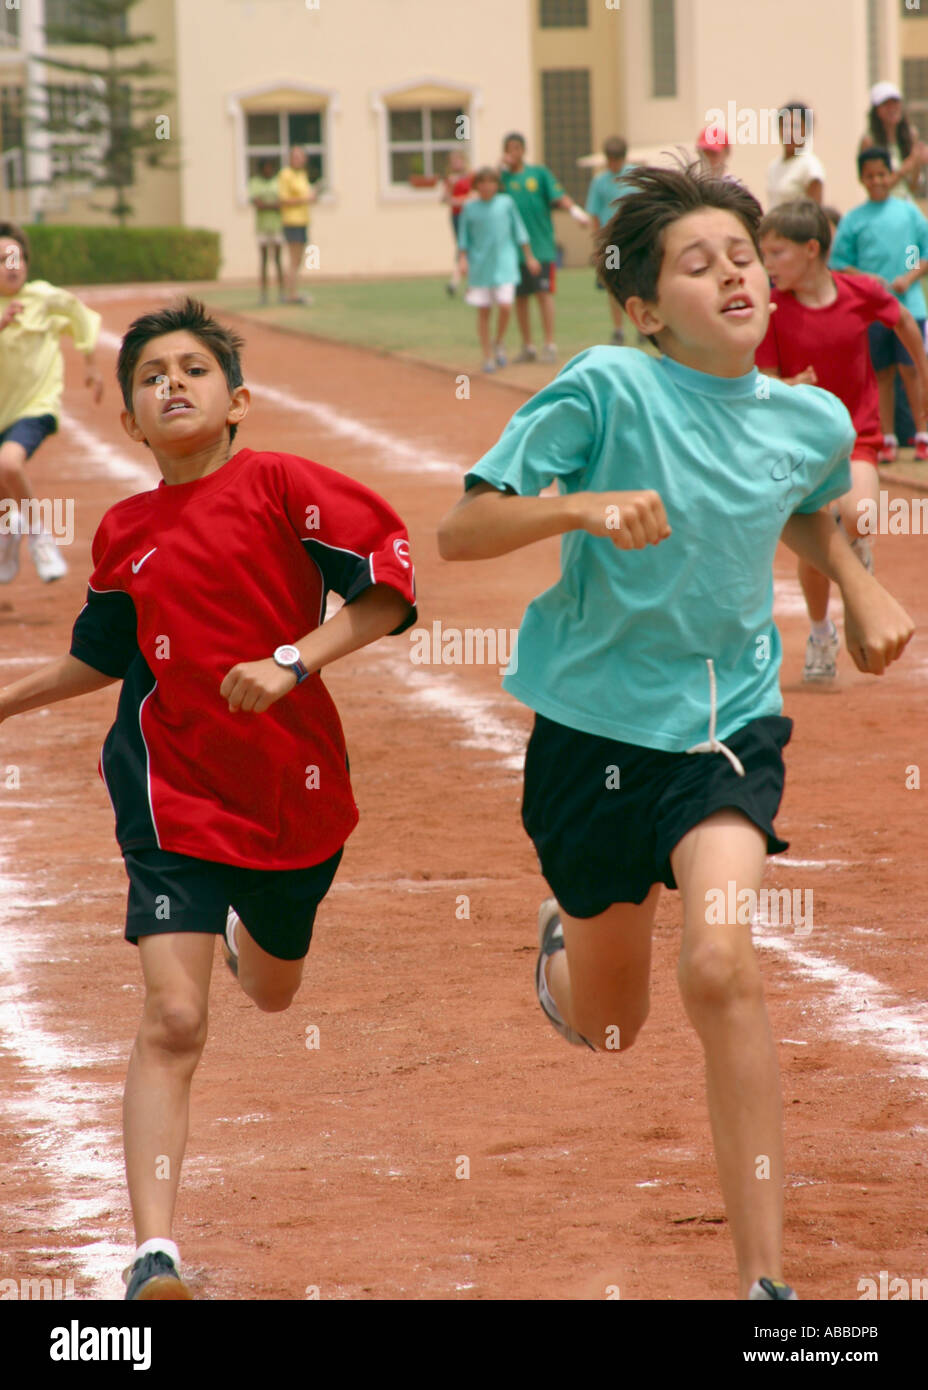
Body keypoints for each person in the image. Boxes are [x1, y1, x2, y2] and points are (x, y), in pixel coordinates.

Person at [437, 161, 913, 1301]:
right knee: (612, 1027)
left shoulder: (800, 415)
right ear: (646, 307)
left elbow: (798, 500)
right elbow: (462, 530)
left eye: (742, 256)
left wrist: (855, 582)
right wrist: (577, 504)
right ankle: (569, 951)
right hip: (590, 736)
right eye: (696, 265)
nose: (733, 274)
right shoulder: (605, 385)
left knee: (719, 962)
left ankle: (766, 1288)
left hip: (724, 730)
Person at [0, 297, 417, 1300]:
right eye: (151, 376)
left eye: (193, 369)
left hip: (293, 794)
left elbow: (388, 583)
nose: (171, 383)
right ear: (131, 420)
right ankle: (155, 1253)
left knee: (274, 990)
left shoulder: (279, 485)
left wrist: (293, 659)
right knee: (174, 1019)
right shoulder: (125, 528)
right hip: (170, 793)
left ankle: (252, 941)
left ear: (237, 400)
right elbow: (98, 659)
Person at [756, 198, 928, 682]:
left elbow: (903, 320)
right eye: (764, 254)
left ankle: (858, 556)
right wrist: (793, 387)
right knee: (815, 549)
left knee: (858, 515)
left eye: (776, 253)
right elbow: (763, 383)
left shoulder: (858, 292)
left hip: (857, 438)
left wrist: (922, 369)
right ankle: (820, 634)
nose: (767, 265)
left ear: (812, 249)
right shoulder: (772, 310)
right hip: (799, 447)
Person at [0, 221, 104, 584]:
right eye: (1, 259)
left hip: (35, 406)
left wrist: (90, 362)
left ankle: (40, 537)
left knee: (8, 465)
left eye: (16, 258)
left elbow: (80, 315)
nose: (11, 266)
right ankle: (8, 531)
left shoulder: (42, 298)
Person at [829, 146, 928, 464]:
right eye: (870, 176)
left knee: (912, 370)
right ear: (861, 179)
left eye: (882, 174)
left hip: (909, 305)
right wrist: (866, 278)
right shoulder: (854, 220)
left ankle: (922, 434)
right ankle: (887, 437)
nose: (876, 180)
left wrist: (909, 278)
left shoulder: (908, 211)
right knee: (881, 373)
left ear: (891, 175)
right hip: (872, 312)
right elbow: (840, 262)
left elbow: (923, 252)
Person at [499, 132, 591, 363]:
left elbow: (560, 197)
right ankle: (528, 346)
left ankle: (549, 344)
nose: (514, 153)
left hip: (541, 246)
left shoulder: (538, 174)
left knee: (544, 293)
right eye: (509, 149)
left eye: (517, 148)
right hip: (514, 249)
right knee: (521, 298)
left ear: (523, 150)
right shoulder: (502, 180)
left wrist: (576, 212)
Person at [456, 165, 540, 372]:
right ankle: (487, 356)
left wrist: (529, 257)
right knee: (484, 311)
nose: (486, 187)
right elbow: (464, 237)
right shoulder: (470, 207)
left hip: (505, 263)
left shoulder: (506, 203)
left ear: (497, 185)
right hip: (480, 266)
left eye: (491, 182)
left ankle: (498, 341)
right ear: (476, 186)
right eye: (482, 183)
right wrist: (463, 259)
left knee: (505, 305)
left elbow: (519, 230)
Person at [586, 135, 636, 344]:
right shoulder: (600, 181)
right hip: (612, 242)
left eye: (617, 159)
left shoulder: (634, 176)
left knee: (637, 282)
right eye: (610, 159)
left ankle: (641, 326)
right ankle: (618, 329)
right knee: (614, 285)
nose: (613, 163)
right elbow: (594, 214)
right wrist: (598, 245)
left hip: (633, 239)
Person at [859, 81, 928, 202]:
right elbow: (876, 187)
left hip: (906, 204)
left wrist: (916, 162)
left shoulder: (910, 135)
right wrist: (906, 166)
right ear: (876, 110)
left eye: (895, 102)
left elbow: (913, 187)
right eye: (886, 104)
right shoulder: (869, 141)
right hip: (882, 207)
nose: (891, 108)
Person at [766, 102, 824, 208]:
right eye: (785, 126)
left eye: (796, 126)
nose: (789, 132)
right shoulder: (774, 166)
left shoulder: (810, 167)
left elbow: (814, 213)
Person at [277, 145, 316, 305]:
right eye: (295, 156)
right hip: (291, 221)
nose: (298, 159)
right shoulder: (285, 175)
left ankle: (292, 290)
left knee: (299, 259)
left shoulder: (302, 175)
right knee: (293, 259)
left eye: (301, 156)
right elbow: (283, 199)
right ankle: (290, 293)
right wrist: (304, 199)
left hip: (303, 221)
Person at [248, 157, 285, 305]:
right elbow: (257, 203)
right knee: (263, 260)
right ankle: (264, 293)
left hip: (277, 226)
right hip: (262, 226)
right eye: (266, 167)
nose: (268, 170)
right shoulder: (256, 182)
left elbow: (282, 202)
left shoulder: (278, 182)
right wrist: (273, 206)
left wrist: (268, 205)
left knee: (277, 259)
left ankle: (282, 292)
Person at [441, 148, 473, 296]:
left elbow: (474, 196)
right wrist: (451, 187)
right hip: (457, 217)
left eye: (458, 160)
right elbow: (444, 199)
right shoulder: (450, 179)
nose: (455, 163)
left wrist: (459, 200)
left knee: (469, 249)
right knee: (462, 248)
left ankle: (460, 282)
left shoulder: (471, 177)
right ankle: (459, 282)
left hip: (471, 216)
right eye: (452, 161)